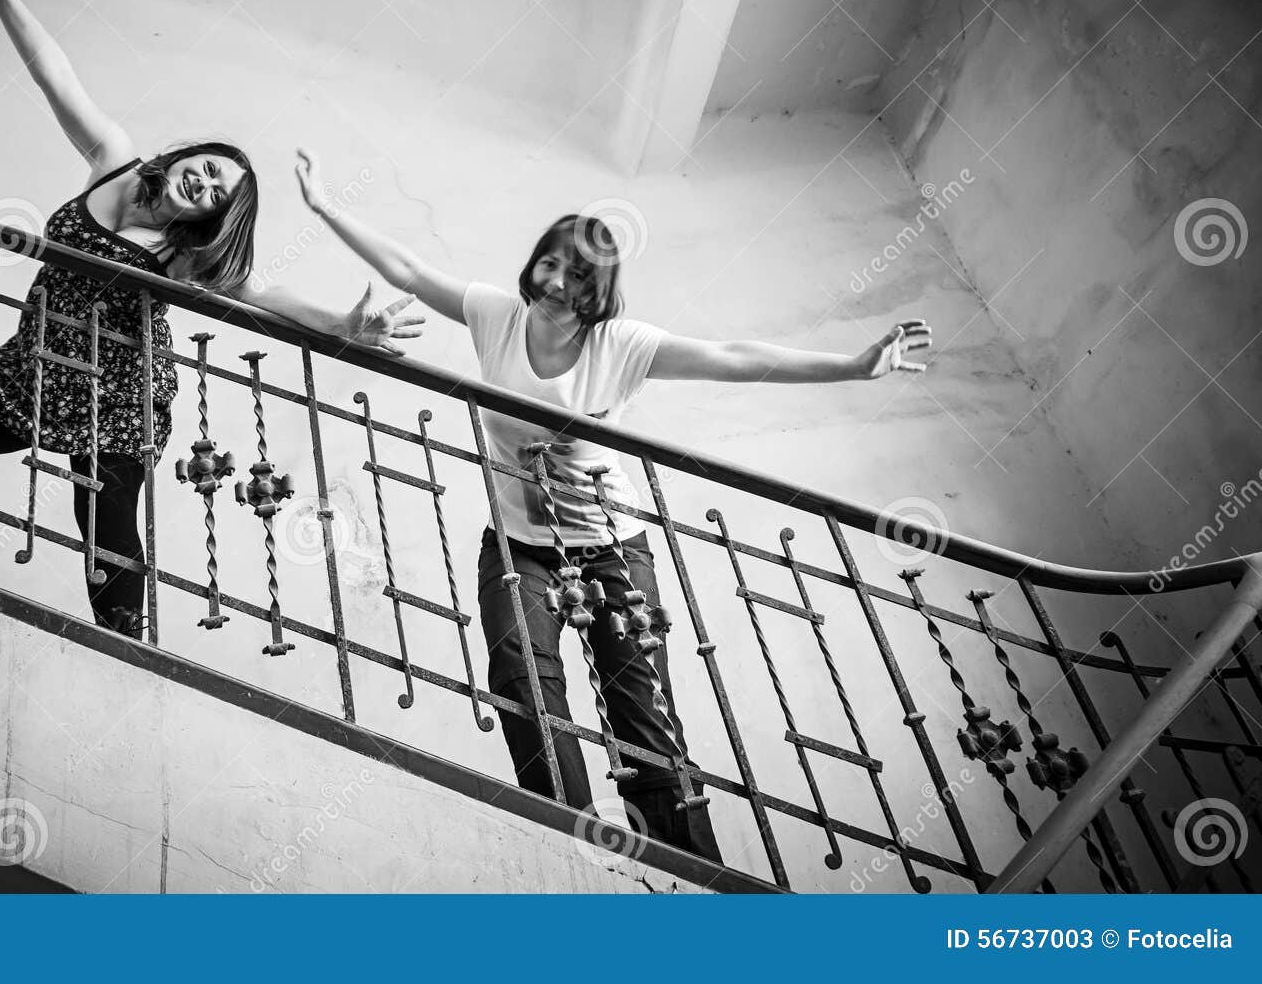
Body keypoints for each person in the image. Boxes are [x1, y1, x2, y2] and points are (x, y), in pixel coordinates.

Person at [292, 148, 932, 862]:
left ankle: (688, 868)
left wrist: (850, 365)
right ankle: (569, 840)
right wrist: (326, 208)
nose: (557, 283)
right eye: (550, 264)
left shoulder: (620, 345)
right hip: (517, 541)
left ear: (599, 292)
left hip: (612, 545)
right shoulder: (495, 316)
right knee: (520, 676)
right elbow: (409, 269)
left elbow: (732, 355)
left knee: (641, 707)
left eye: (577, 275)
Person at [0, 0, 423, 640]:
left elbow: (263, 296)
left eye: (217, 194)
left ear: (210, 218)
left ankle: (123, 642)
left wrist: (343, 326)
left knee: (103, 522)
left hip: (118, 391)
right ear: (184, 157)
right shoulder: (113, 158)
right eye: (206, 168)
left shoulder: (184, 257)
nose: (204, 184)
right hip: (33, 366)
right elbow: (54, 72)